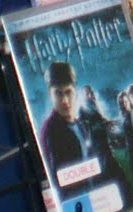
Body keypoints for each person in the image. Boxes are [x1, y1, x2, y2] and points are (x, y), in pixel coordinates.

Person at [38, 62, 126, 191]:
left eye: (68, 92)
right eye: (58, 93)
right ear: (51, 95)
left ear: (75, 92)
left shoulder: (79, 124)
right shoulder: (50, 130)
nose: (65, 100)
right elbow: (58, 182)